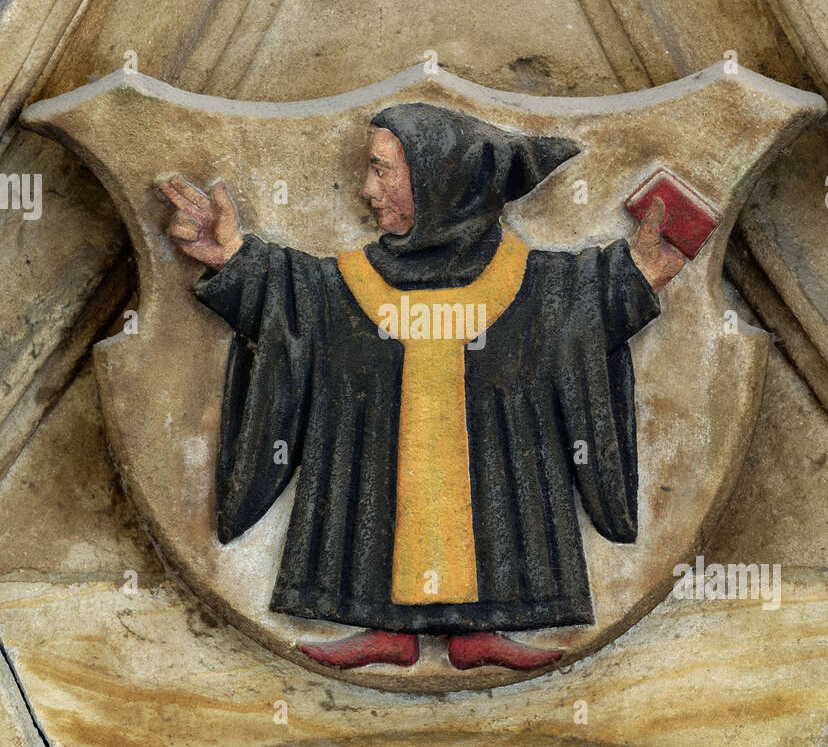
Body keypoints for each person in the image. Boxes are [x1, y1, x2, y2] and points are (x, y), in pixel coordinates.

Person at [159, 104, 684, 671]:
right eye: (370, 169)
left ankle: (486, 623)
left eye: (382, 171)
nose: (366, 188)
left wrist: (641, 273)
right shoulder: (346, 286)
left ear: (442, 181)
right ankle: (384, 625)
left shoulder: (530, 284)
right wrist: (230, 257)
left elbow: (588, 299)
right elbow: (292, 297)